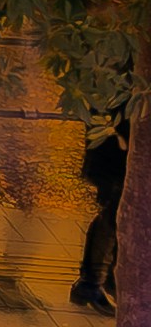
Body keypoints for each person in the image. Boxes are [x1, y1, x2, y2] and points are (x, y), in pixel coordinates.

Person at [78, 109, 124, 315]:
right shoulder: (120, 82)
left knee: (116, 216)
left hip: (113, 157)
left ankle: (102, 281)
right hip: (114, 158)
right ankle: (92, 283)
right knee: (113, 216)